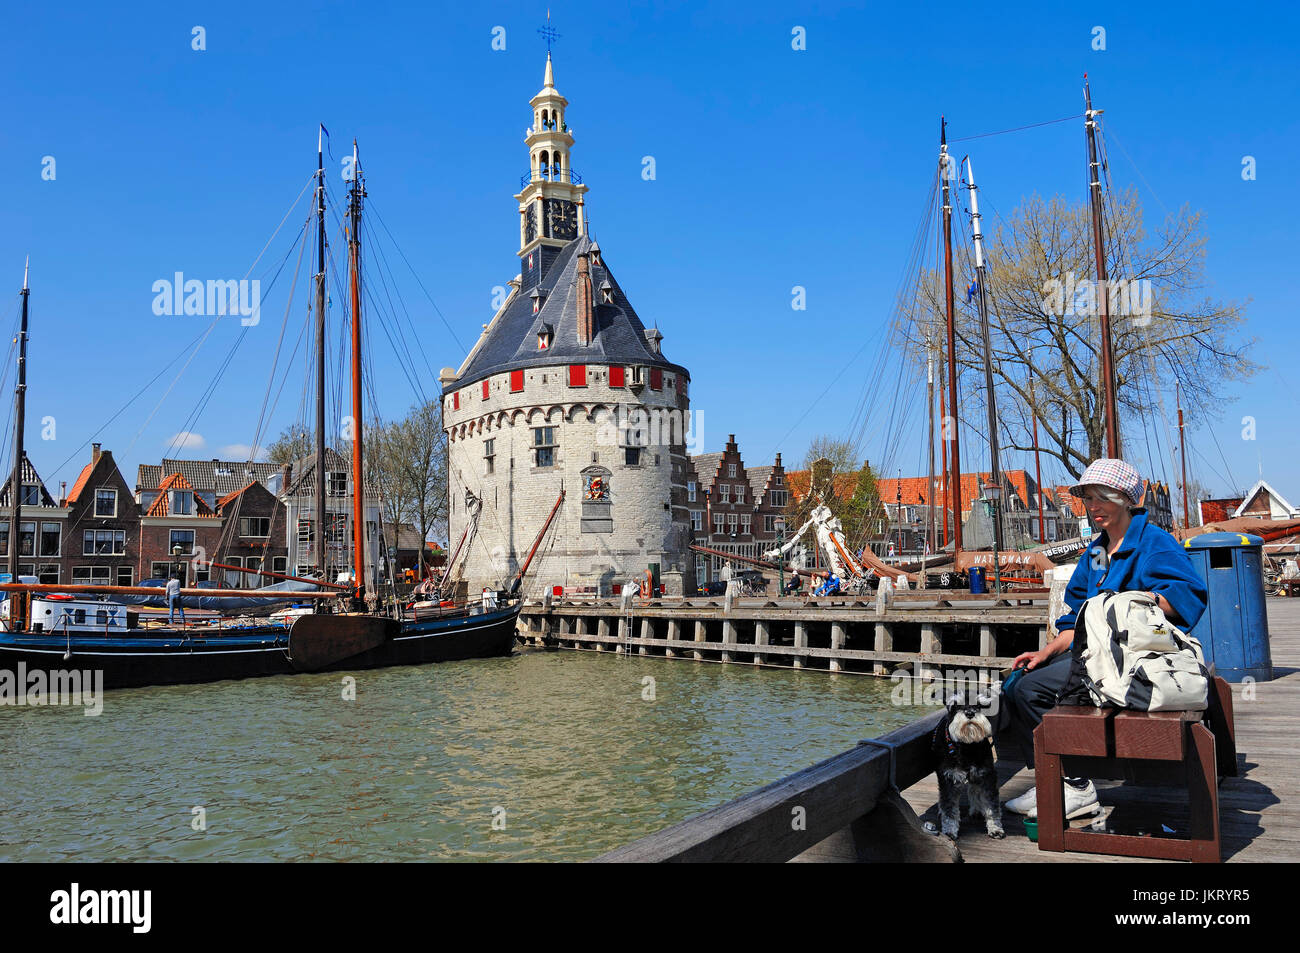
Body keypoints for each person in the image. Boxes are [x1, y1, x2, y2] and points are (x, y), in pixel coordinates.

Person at [996, 458, 1208, 820]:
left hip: (1135, 660)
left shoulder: (1154, 542)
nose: (1093, 508)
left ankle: (1074, 785)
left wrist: (1136, 603)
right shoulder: (1095, 553)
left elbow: (1189, 596)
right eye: (1088, 499)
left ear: (1125, 499)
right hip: (1094, 656)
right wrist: (1045, 651)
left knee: (1032, 692)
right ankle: (1060, 780)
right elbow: (1075, 617)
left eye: (1102, 498)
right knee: (1017, 683)